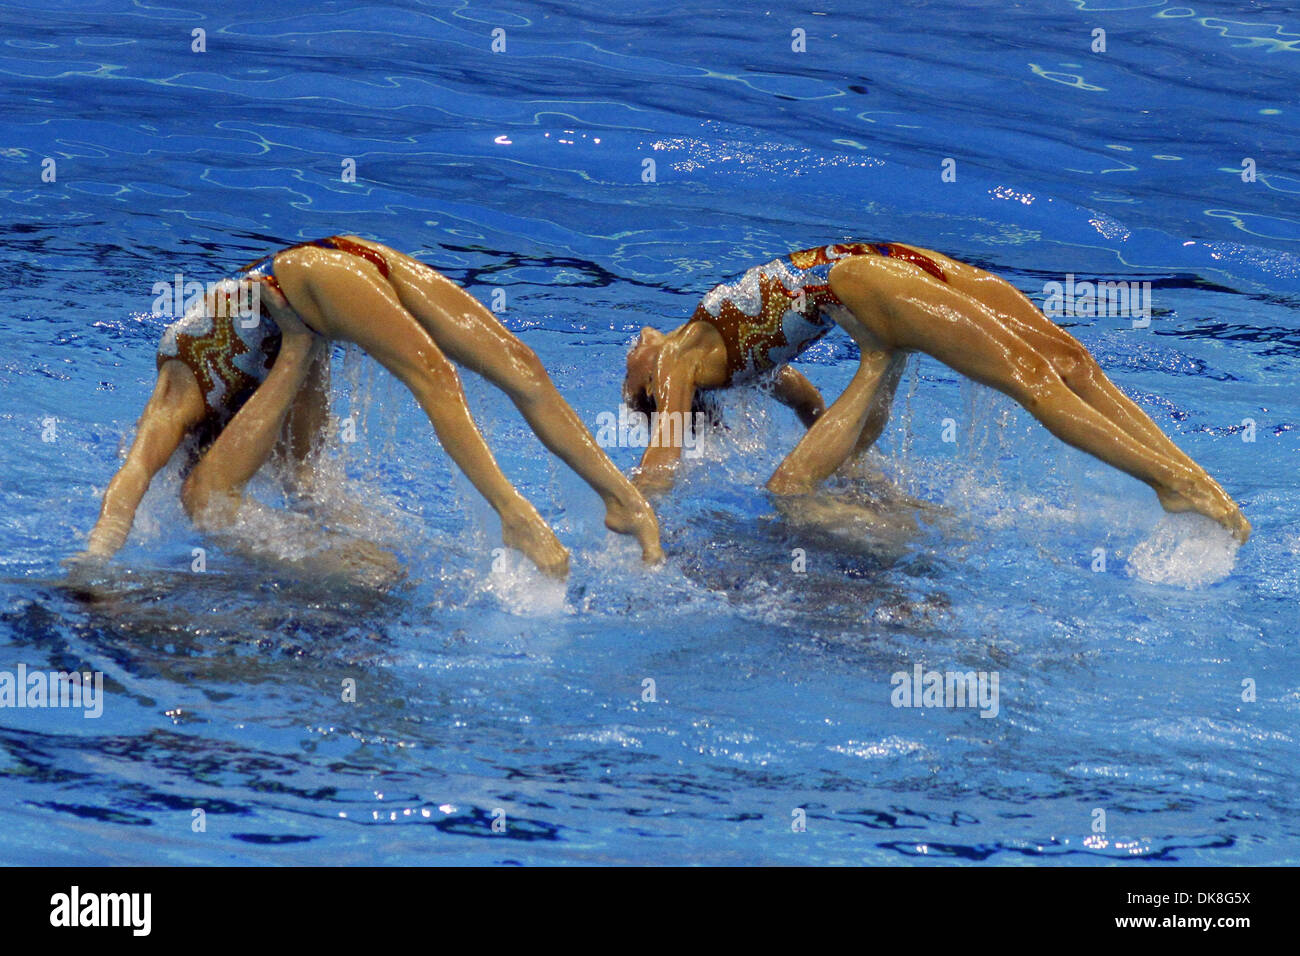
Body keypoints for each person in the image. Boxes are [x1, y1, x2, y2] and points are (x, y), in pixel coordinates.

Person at [74, 235, 663, 578]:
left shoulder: (178, 397)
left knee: (435, 377)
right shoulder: (280, 372)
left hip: (305, 279)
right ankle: (625, 499)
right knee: (521, 365)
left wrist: (94, 561)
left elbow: (128, 483)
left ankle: (515, 515)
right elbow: (304, 482)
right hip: (324, 276)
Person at [623, 241, 1249, 542]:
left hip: (879, 260)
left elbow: (814, 409)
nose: (634, 342)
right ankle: (1172, 483)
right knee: (1033, 376)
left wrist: (851, 466)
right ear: (649, 385)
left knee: (1071, 358)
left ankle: (1193, 477)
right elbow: (661, 463)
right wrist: (637, 514)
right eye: (632, 369)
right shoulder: (675, 365)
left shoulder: (736, 365)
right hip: (866, 278)